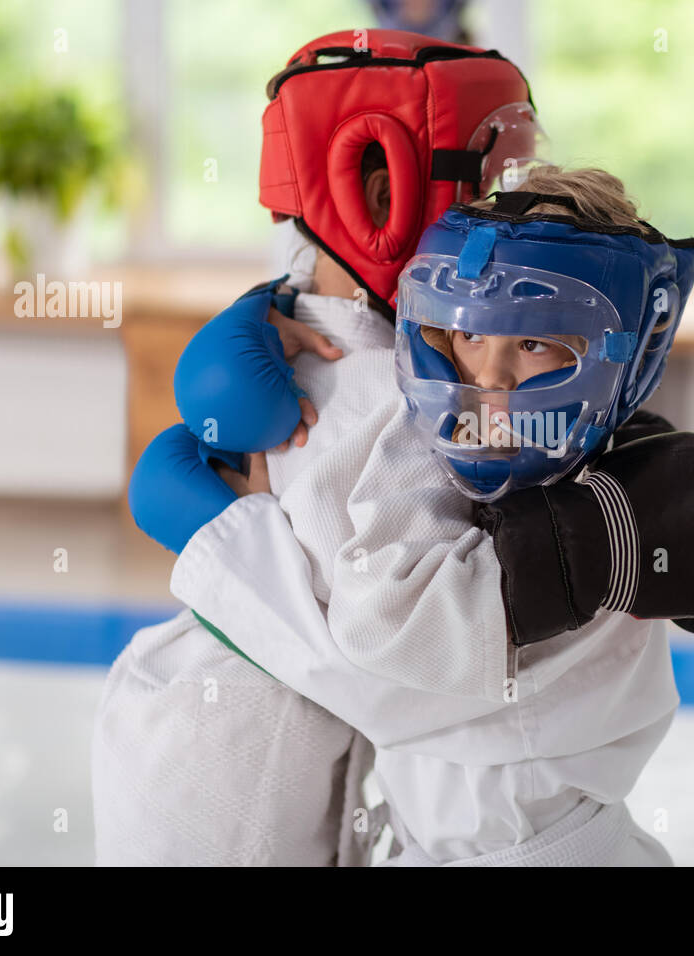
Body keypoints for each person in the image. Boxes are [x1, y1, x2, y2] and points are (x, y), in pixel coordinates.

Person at [164, 166, 694, 864]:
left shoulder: (614, 514)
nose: (489, 378)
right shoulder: (463, 437)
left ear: (619, 355)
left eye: (536, 343)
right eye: (470, 335)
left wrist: (233, 547)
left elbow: (379, 638)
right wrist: (273, 302)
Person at [92, 29, 545, 866]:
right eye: (486, 184)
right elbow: (397, 670)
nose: (505, 216)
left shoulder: (314, 336)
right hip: (224, 777)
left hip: (234, 750)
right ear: (381, 192)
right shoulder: (380, 396)